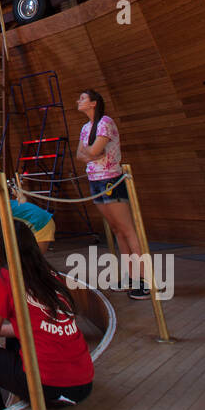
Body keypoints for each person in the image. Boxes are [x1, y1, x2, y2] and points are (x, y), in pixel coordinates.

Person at [0, 219, 93, 410]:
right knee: (13, 339)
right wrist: (0, 332)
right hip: (83, 384)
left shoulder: (4, 278)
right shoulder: (50, 275)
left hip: (51, 388)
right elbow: (37, 325)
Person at [74, 88, 152, 299]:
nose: (78, 101)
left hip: (110, 179)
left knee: (128, 230)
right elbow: (81, 154)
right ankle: (130, 276)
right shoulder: (85, 127)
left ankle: (146, 280)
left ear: (94, 103)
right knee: (117, 230)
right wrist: (90, 153)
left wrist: (90, 153)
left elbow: (91, 151)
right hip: (94, 181)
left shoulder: (105, 122)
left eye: (82, 98)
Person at [0, 185, 55, 253]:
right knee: (30, 258)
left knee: (36, 258)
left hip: (42, 224)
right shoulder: (3, 203)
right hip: (43, 221)